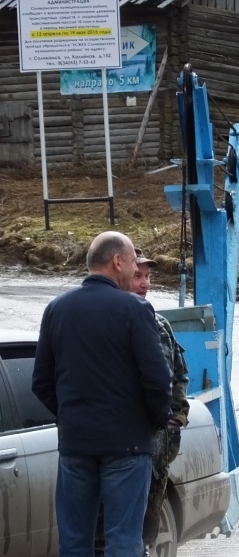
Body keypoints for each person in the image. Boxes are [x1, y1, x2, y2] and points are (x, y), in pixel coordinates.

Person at [33, 231, 172, 557]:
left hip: (75, 446)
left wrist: (72, 416)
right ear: (117, 261)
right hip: (127, 446)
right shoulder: (135, 310)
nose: (134, 271)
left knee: (75, 542)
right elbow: (158, 380)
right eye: (133, 264)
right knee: (123, 542)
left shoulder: (56, 309)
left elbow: (41, 381)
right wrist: (150, 423)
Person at [132, 248, 190, 552]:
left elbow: (179, 374)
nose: (145, 283)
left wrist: (177, 417)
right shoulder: (116, 324)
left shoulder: (161, 324)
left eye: (148, 276)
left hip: (161, 449)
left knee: (150, 523)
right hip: (128, 447)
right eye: (138, 276)